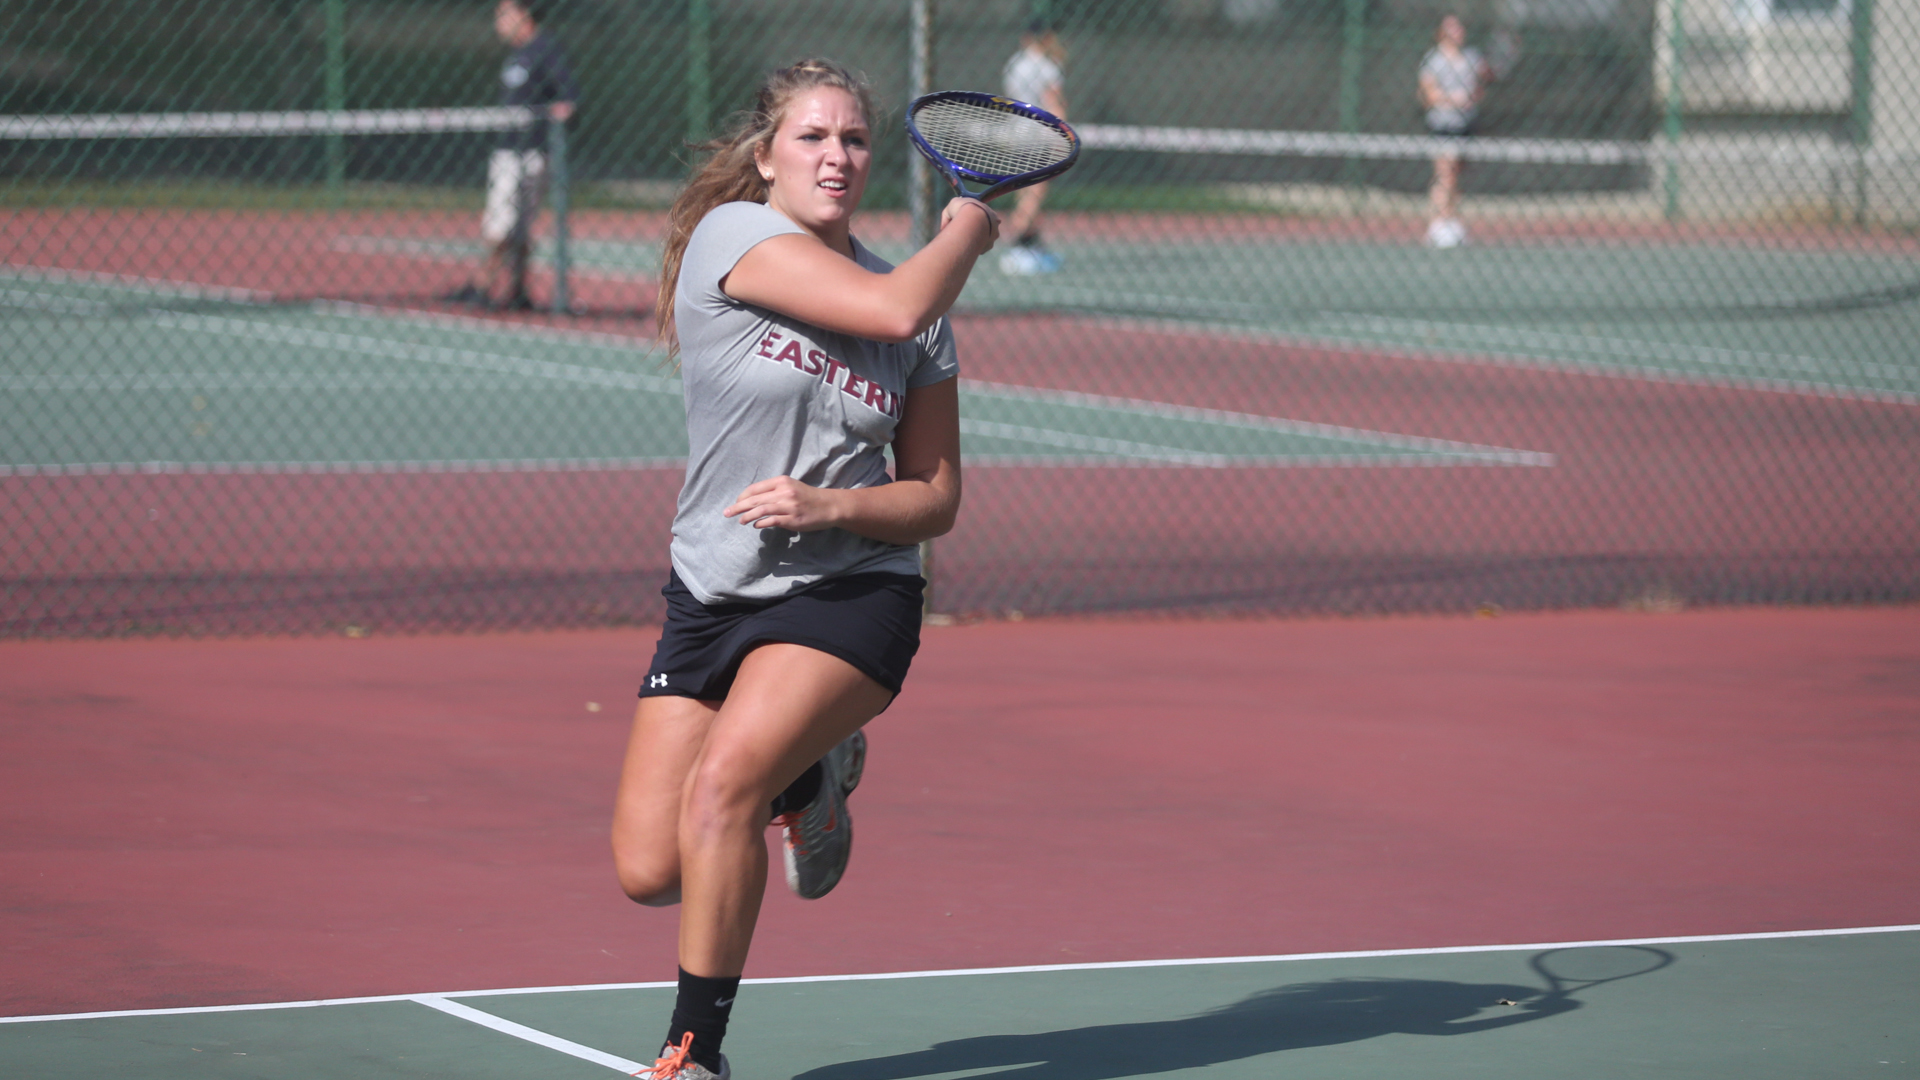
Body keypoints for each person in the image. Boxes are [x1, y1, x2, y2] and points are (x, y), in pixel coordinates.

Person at [610, 59, 998, 1080]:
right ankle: (815, 775)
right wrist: (968, 226)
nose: (837, 157)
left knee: (722, 789)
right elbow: (886, 311)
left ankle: (693, 1052)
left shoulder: (918, 313)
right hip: (713, 588)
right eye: (814, 138)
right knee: (649, 867)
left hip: (856, 589)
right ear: (766, 156)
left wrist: (834, 505)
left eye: (855, 140)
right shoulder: (734, 240)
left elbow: (937, 497)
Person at [443, 0, 579, 310]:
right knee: (505, 224)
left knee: (510, 225)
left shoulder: (545, 49)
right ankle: (502, 287)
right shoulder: (517, 55)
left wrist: (562, 113)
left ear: (523, 14)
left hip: (530, 152)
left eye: (503, 15)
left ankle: (488, 287)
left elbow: (568, 96)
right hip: (508, 151)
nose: (499, 24)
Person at [999, 19, 1067, 275]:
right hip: (1040, 136)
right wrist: (1062, 138)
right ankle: (1019, 246)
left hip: (1016, 134)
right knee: (1034, 194)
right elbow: (1055, 104)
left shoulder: (1015, 65)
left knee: (1025, 191)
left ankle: (1030, 244)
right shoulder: (1049, 67)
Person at [1418, 14, 1490, 249]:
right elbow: (1428, 96)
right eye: (1452, 29)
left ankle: (1451, 221)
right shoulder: (1434, 60)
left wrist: (1474, 95)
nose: (1458, 32)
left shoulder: (1471, 57)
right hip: (1443, 124)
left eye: (1460, 28)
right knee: (1444, 173)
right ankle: (1437, 224)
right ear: (1441, 33)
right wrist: (1455, 99)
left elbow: (1482, 83)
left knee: (1456, 176)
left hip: (1466, 125)